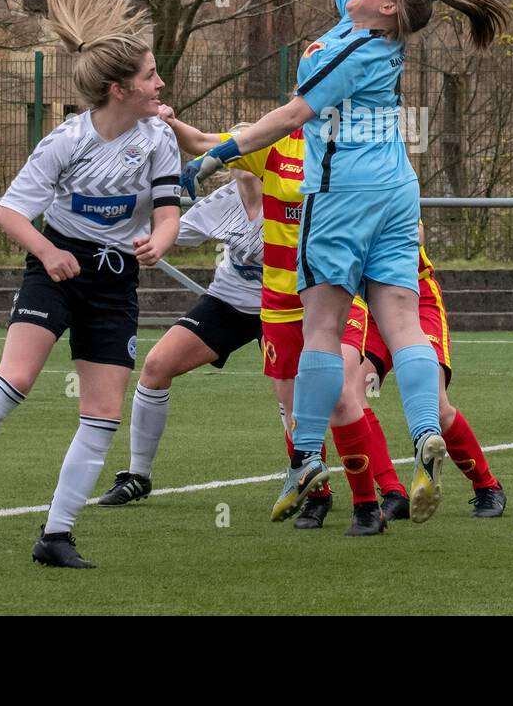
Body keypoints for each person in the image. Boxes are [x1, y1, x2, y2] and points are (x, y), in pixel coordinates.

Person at [184, 0, 509, 524]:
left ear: (386, 7)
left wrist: (219, 152)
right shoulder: (365, 21)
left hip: (344, 193)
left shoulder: (354, 49)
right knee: (399, 319)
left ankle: (305, 456)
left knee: (323, 328)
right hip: (396, 191)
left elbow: (291, 116)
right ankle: (423, 431)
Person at [0, 0, 182, 568]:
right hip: (55, 272)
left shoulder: (159, 138)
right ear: (119, 89)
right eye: (149, 76)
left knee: (102, 414)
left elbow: (169, 213)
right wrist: (48, 250)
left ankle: (56, 535)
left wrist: (160, 241)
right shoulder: (66, 141)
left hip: (115, 285)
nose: (160, 83)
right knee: (18, 381)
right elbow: (8, 213)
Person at [164, 110, 406, 537]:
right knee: (294, 413)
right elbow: (204, 143)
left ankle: (368, 504)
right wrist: (166, 119)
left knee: (341, 400)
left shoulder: (356, 148)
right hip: (278, 305)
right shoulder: (273, 143)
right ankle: (317, 497)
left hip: (335, 297)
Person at [98, 166, 265, 506]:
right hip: (228, 301)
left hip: (285, 304)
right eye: (234, 147)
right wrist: (145, 242)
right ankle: (138, 475)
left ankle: (311, 480)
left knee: (296, 392)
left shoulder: (291, 197)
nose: (241, 153)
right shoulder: (224, 199)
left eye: (250, 143)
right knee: (156, 365)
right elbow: (173, 230)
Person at [344, 221, 507, 519]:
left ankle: (488, 486)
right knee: (351, 396)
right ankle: (394, 492)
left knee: (438, 406)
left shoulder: (388, 180)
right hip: (368, 305)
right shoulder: (330, 186)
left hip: (414, 298)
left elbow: (416, 234)